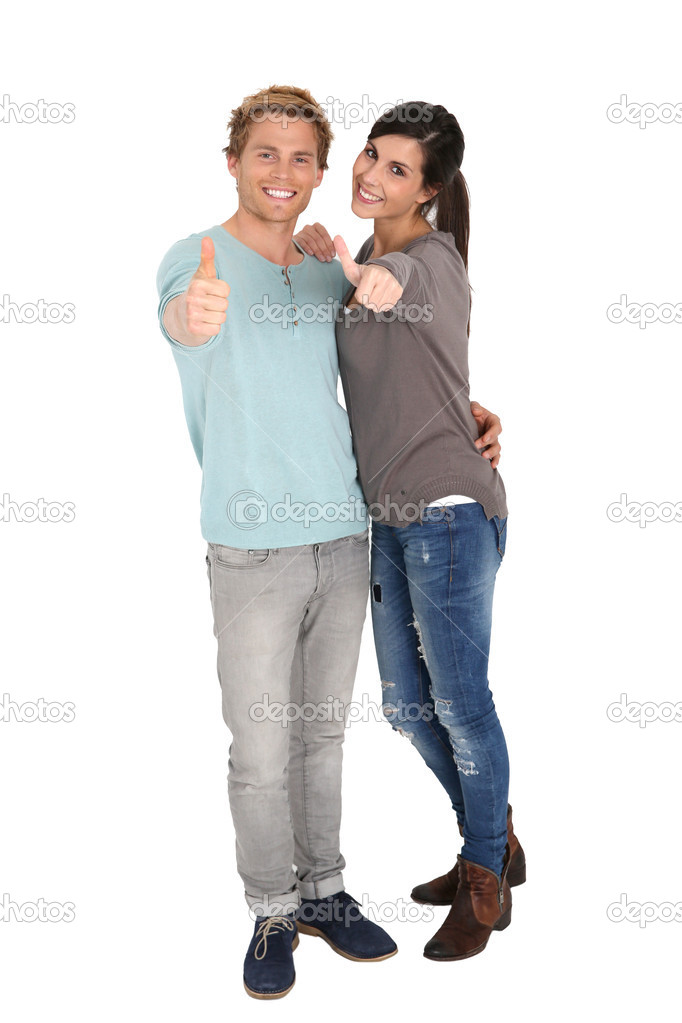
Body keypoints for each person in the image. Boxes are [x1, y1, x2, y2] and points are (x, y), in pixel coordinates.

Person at [157, 85, 504, 997]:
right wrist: (187, 317)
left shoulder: (333, 270)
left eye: (303, 155)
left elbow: (401, 334)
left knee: (324, 736)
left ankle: (329, 891)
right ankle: (274, 907)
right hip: (252, 545)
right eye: (265, 154)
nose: (286, 171)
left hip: (351, 535)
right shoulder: (196, 261)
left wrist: (457, 411)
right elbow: (181, 321)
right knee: (262, 746)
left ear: (318, 170)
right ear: (233, 162)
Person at [295, 100, 525, 962]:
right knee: (403, 704)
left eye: (398, 169)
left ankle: (483, 872)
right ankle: (494, 832)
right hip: (389, 517)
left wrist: (361, 274)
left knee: (463, 705)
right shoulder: (368, 259)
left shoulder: (425, 261)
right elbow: (410, 371)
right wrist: (340, 264)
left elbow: (399, 293)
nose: (370, 174)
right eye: (369, 155)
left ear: (429, 190)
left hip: (450, 516)